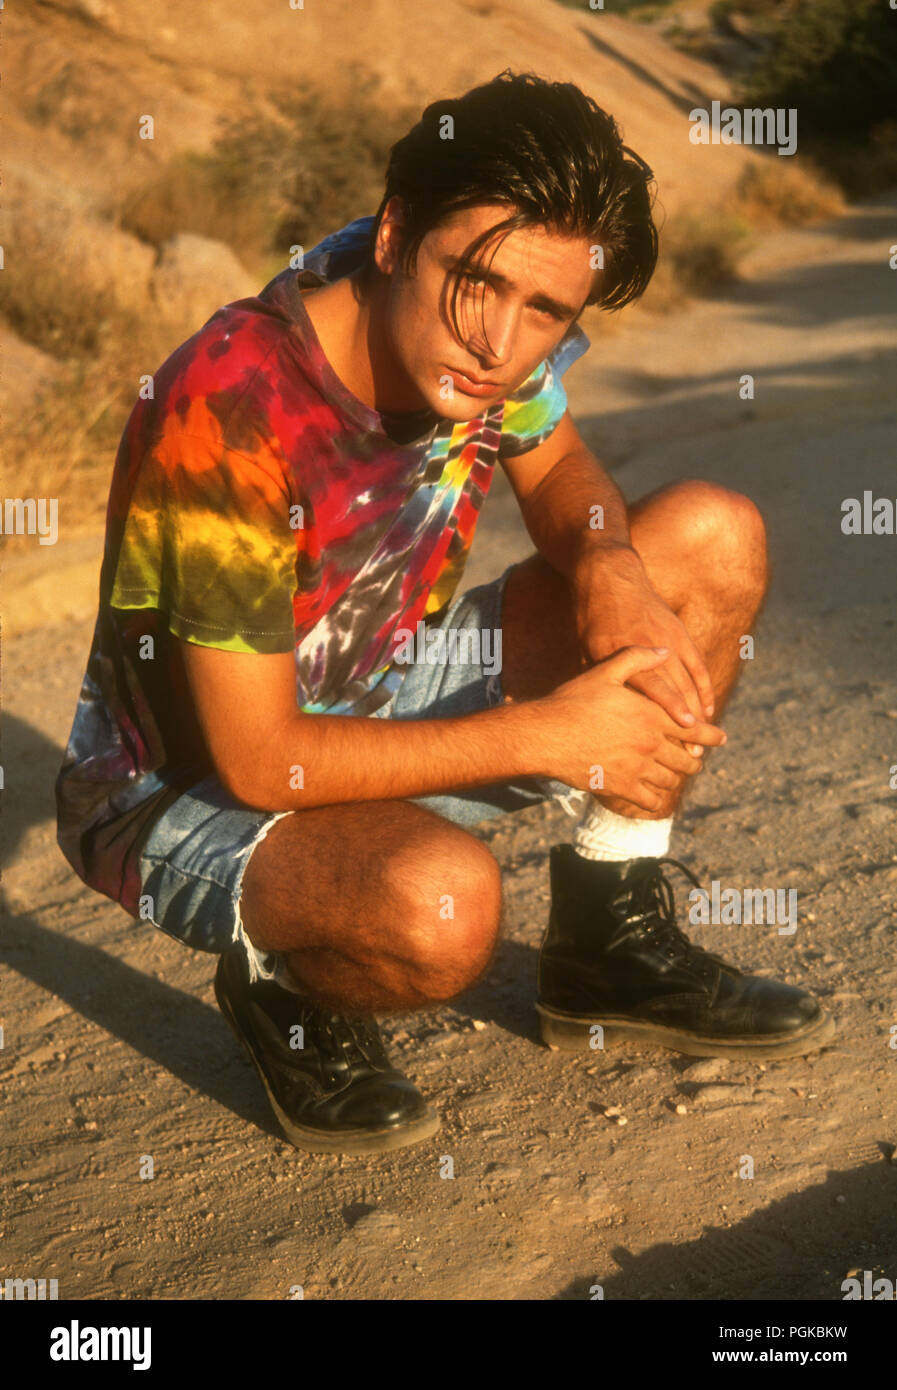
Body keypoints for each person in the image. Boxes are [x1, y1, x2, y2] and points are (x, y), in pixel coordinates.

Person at [55, 70, 834, 1156]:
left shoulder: (485, 321)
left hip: (376, 683)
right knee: (440, 912)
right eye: (478, 284)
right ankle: (287, 976)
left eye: (546, 311)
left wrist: (605, 556)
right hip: (189, 782)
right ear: (393, 238)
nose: (502, 343)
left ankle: (607, 941)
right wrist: (554, 736)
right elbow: (258, 757)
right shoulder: (229, 406)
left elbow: (561, 471)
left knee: (708, 538)